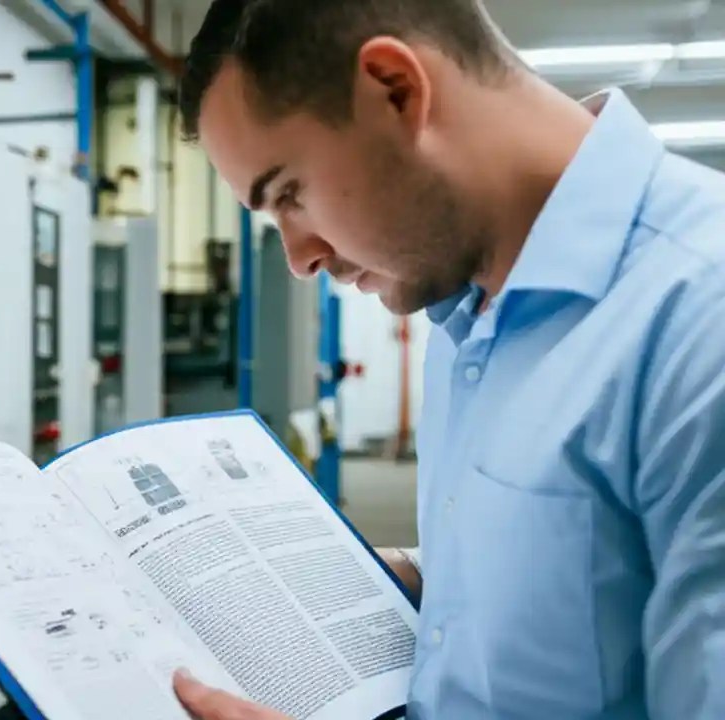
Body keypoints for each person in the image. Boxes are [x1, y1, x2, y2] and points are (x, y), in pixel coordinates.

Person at [173, 1, 725, 719]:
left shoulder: (699, 319)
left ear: (395, 89)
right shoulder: (467, 319)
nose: (302, 258)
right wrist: (415, 579)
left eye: (290, 194)